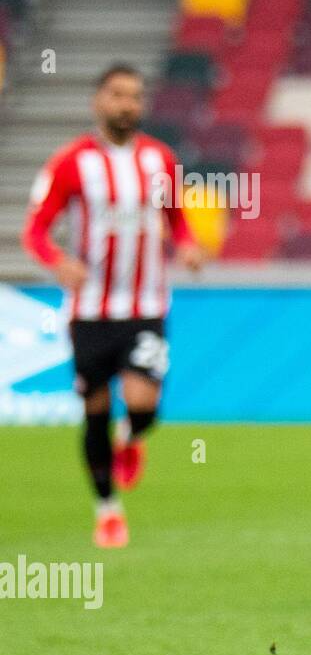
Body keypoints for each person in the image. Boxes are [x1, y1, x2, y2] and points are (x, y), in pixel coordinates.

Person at [21, 63, 204, 548]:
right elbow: (35, 230)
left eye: (136, 96)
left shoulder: (159, 160)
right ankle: (107, 509)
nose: (128, 104)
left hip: (145, 306)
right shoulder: (70, 163)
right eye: (119, 95)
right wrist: (57, 261)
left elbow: (177, 218)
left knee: (144, 404)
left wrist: (185, 245)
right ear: (98, 102)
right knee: (95, 409)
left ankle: (133, 435)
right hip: (89, 311)